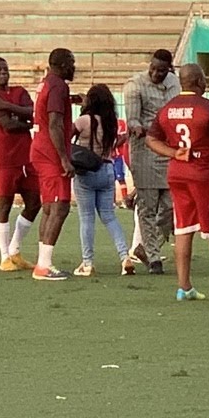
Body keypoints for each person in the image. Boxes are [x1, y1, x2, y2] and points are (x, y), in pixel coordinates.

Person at [145, 65, 209, 299]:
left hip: (177, 174)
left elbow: (151, 139)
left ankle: (184, 287)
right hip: (204, 174)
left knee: (183, 229)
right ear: (200, 81)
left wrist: (173, 153)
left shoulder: (167, 109)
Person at [0, 57, 38, 271]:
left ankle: (15, 249)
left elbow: (33, 112)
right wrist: (26, 122)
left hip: (26, 156)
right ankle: (4, 257)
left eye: (5, 69)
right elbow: (8, 125)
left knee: (35, 202)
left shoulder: (19, 91)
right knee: (4, 204)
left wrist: (6, 106)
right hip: (3, 157)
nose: (3, 72)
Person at [123, 49, 179, 274]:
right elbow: (133, 119)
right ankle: (154, 258)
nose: (156, 74)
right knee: (147, 207)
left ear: (169, 70)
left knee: (171, 206)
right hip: (144, 149)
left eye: (161, 71)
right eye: (153, 69)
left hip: (168, 149)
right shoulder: (134, 85)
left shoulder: (174, 84)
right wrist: (139, 127)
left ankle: (144, 248)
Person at [70, 85, 132, 277]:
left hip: (86, 171)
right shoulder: (110, 122)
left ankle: (87, 263)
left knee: (87, 218)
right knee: (109, 217)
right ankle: (124, 257)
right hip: (107, 168)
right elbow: (114, 144)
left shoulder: (83, 120)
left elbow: (65, 136)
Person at [29, 48, 77, 281]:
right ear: (63, 65)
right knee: (60, 207)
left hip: (39, 149)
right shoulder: (58, 86)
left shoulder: (47, 83)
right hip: (50, 153)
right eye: (72, 62)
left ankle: (43, 262)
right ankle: (44, 266)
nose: (74, 67)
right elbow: (55, 123)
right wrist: (64, 159)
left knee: (49, 206)